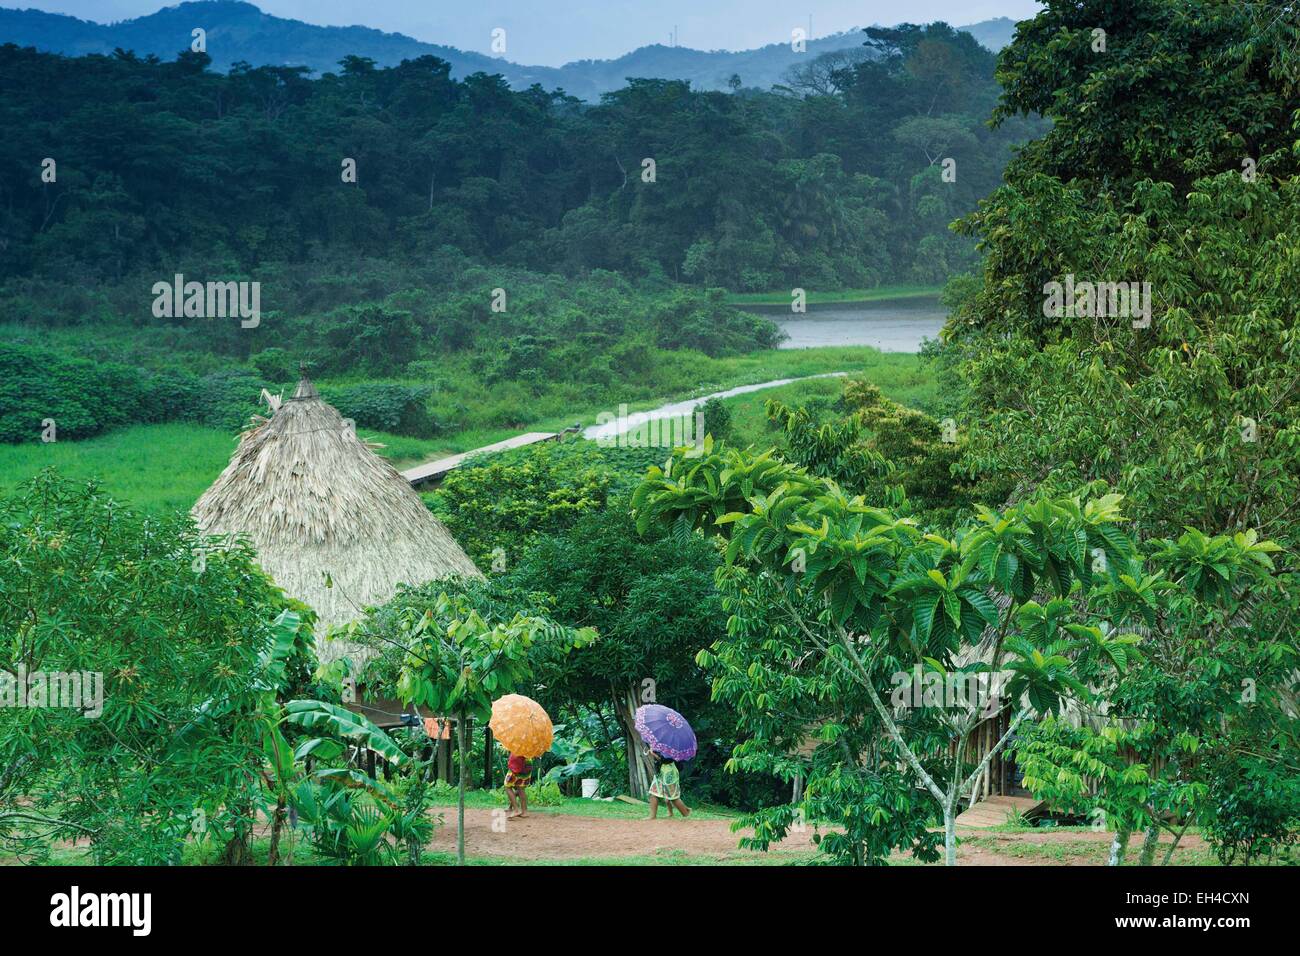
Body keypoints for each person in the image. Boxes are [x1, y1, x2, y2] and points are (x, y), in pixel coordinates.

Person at [647, 749, 690, 819]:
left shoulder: (671, 745)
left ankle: (686, 812)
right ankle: (652, 816)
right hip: (661, 771)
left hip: (669, 771)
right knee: (653, 793)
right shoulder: (663, 744)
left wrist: (652, 753)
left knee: (673, 797)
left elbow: (665, 759)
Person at [505, 751, 531, 818]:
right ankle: (524, 811)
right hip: (527, 763)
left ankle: (516, 810)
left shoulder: (518, 743)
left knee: (507, 786)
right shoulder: (531, 742)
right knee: (520, 788)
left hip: (517, 762)